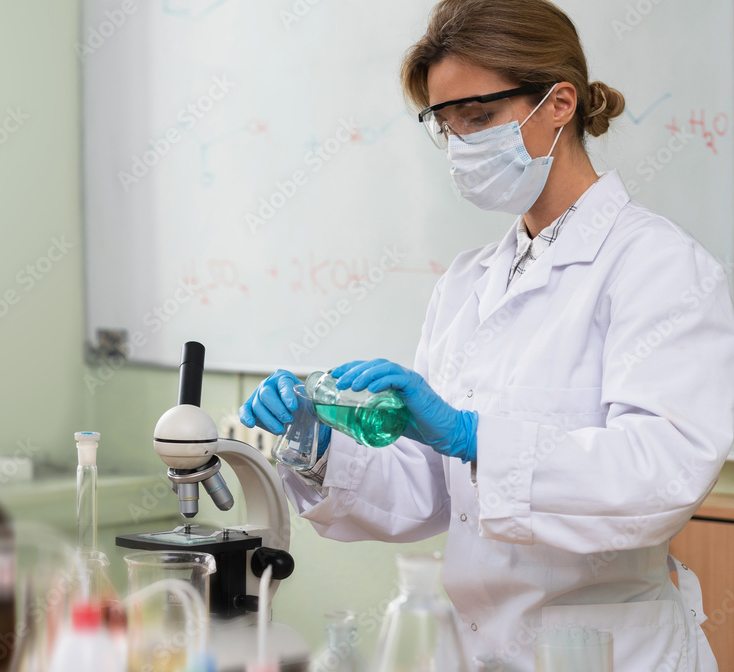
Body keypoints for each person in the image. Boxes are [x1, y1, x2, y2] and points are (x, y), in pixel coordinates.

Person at [239, 1, 734, 670]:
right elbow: (429, 495)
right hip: (479, 651)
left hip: (613, 653)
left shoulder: (661, 268)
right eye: (447, 126)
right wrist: (317, 442)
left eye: (478, 118)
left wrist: (475, 437)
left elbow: (661, 478)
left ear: (559, 104)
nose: (463, 145)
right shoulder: (468, 284)